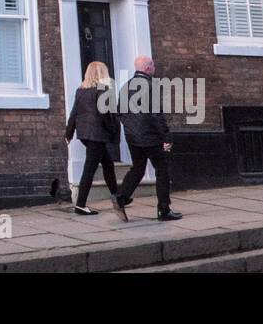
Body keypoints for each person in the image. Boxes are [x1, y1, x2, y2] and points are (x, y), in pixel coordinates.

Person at [111, 56, 183, 222]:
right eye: (153, 65)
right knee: (162, 170)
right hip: (150, 137)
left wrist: (131, 127)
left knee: (138, 168)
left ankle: (121, 197)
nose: (154, 67)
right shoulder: (151, 86)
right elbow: (156, 114)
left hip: (132, 137)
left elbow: (119, 112)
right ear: (148, 68)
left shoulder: (126, 86)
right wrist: (166, 136)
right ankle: (164, 210)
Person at [64, 60, 121, 216]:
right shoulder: (103, 89)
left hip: (85, 134)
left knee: (108, 164)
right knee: (89, 169)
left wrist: (69, 133)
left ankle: (119, 197)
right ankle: (80, 205)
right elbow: (106, 114)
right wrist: (112, 129)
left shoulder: (81, 91)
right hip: (97, 135)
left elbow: (74, 113)